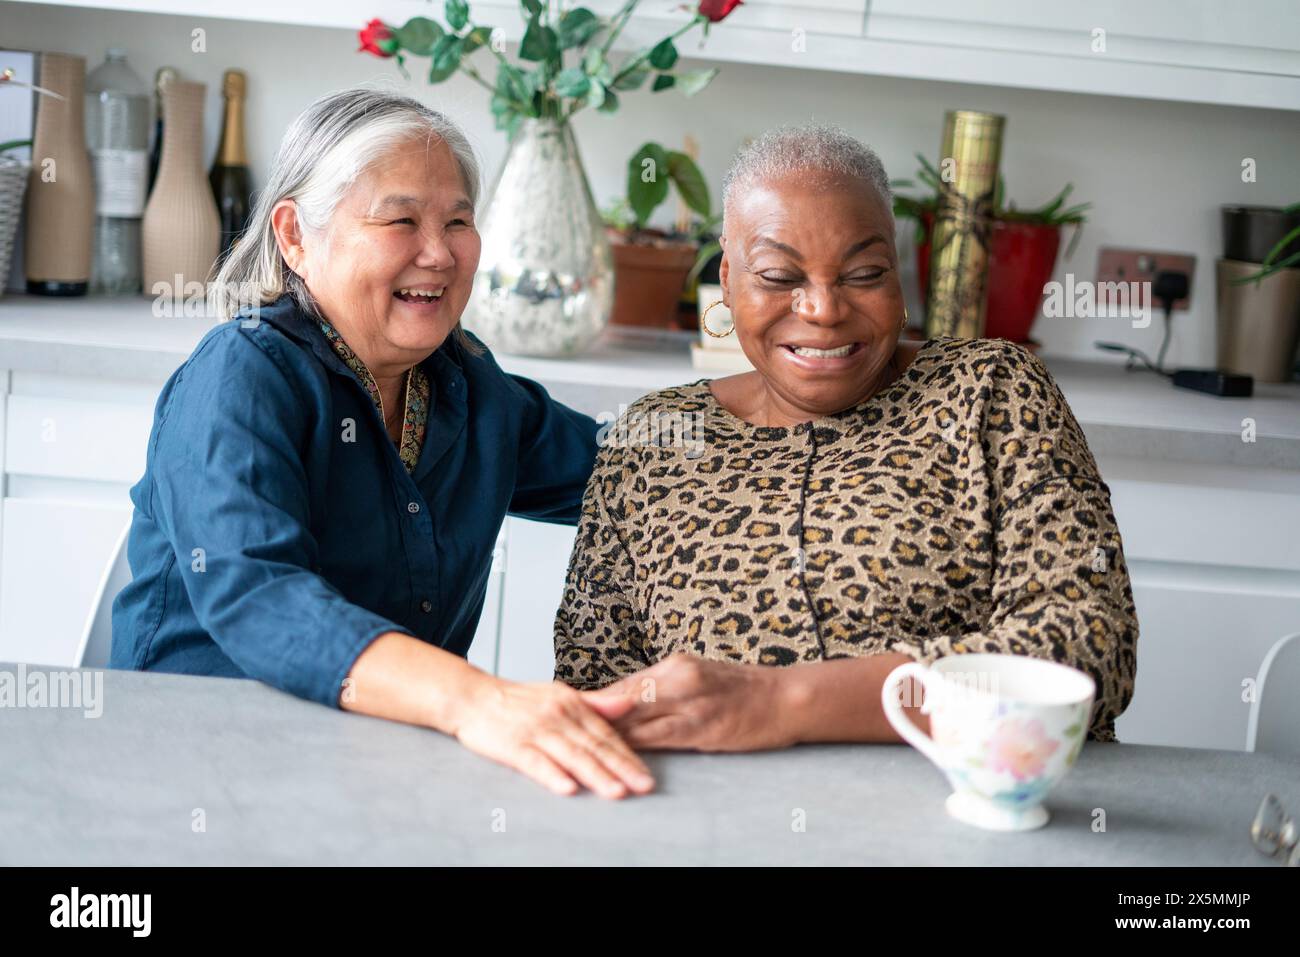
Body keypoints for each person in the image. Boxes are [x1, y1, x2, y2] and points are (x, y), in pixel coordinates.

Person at [112, 88, 653, 800]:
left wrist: (769, 400)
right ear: (296, 237)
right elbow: (260, 594)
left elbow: (622, 468)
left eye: (458, 220)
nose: (439, 252)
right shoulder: (241, 374)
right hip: (193, 774)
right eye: (401, 219)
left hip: (382, 776)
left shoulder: (470, 385)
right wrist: (477, 699)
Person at [555, 124, 1138, 748]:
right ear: (728, 280)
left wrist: (781, 702)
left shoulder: (990, 392)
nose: (824, 309)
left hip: (969, 821)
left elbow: (1084, 641)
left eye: (863, 273)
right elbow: (596, 689)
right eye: (780, 276)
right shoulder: (656, 438)